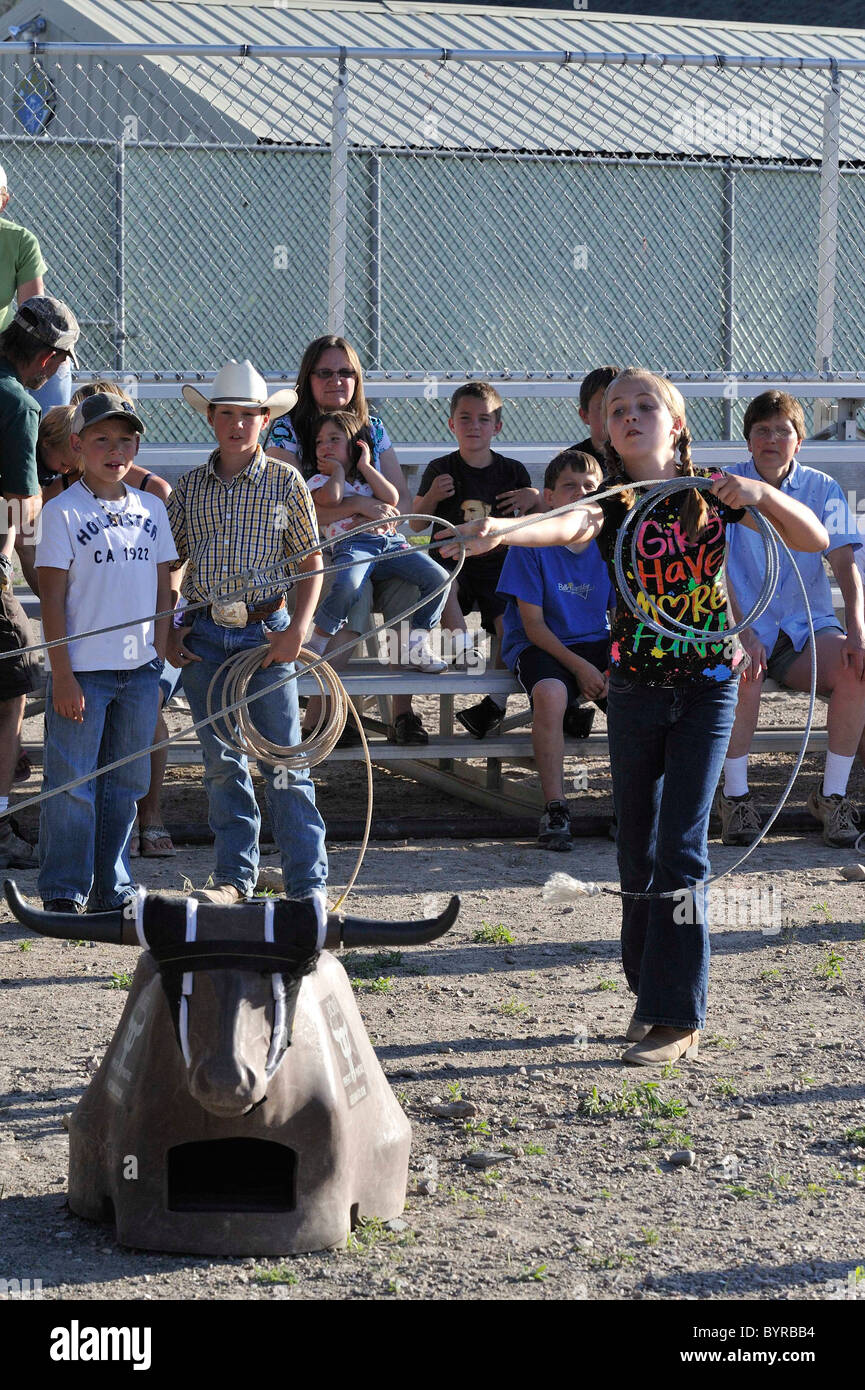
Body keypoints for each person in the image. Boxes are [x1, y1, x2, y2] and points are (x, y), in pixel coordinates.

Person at [439, 368, 828, 1066]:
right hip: (635, 690)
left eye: (645, 405)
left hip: (707, 685)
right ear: (603, 428)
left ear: (675, 423)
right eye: (616, 409)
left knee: (680, 847)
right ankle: (649, 997)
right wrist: (501, 530)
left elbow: (811, 541)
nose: (630, 415)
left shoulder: (711, 494)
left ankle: (678, 1018)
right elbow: (566, 523)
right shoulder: (612, 503)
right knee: (634, 849)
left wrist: (763, 492)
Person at [168, 359, 328, 908]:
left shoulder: (286, 482)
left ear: (265, 420)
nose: (237, 424)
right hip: (210, 633)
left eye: (248, 416)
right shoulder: (189, 490)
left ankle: (308, 881)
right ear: (211, 419)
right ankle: (236, 875)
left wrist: (297, 631)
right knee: (221, 762)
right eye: (226, 414)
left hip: (267, 632)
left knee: (283, 759)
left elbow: (311, 561)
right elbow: (171, 563)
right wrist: (171, 629)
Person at [35, 393, 175, 912]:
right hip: (85, 673)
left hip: (139, 671)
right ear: (77, 446)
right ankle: (63, 890)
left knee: (128, 781)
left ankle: (110, 885)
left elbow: (164, 586)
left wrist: (157, 657)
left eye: (125, 440)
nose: (115, 449)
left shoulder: (153, 508)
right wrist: (63, 675)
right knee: (72, 782)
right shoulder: (61, 512)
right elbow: (52, 598)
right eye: (101, 439)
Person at [716, 390, 865, 848]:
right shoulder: (724, 487)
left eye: (783, 430)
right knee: (744, 669)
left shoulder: (825, 489)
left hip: (806, 627)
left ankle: (831, 796)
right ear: (747, 441)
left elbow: (846, 566)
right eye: (762, 429)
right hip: (743, 623)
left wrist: (858, 633)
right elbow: (714, 571)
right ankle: (735, 798)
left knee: (856, 668)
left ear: (799, 441)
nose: (772, 438)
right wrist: (740, 634)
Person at [268, 334, 427, 745]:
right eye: (325, 372)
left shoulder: (371, 427)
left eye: (346, 372)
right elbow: (289, 513)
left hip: (375, 547)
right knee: (350, 588)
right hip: (315, 555)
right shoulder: (286, 430)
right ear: (308, 379)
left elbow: (400, 503)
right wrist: (359, 506)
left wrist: (370, 513)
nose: (337, 380)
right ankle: (325, 715)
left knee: (414, 587)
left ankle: (402, 713)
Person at [497, 449, 613, 850]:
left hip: (595, 641)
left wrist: (611, 665)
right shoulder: (530, 543)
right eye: (569, 487)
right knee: (551, 693)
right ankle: (556, 807)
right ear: (548, 497)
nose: (580, 493)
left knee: (635, 691)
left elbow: (621, 615)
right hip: (541, 645)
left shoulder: (608, 541)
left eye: (589, 487)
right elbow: (533, 626)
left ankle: (633, 806)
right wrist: (581, 668)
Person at [0, 294, 79, 869]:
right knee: (13, 689)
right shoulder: (19, 405)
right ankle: (1, 817)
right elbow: (23, 510)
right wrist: (55, 597)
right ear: (49, 361)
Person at [412, 381, 538, 738]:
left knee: (508, 625)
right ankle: (460, 647)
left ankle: (494, 703)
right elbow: (417, 523)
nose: (474, 426)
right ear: (451, 424)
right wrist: (432, 496)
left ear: (497, 427)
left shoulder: (512, 472)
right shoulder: (441, 468)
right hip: (451, 561)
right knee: (443, 581)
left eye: (484, 419)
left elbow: (530, 523)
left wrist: (534, 497)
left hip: (498, 564)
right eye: (464, 418)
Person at [305, 411, 449, 673]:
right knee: (348, 584)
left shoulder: (367, 477)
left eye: (333, 439)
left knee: (439, 577)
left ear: (355, 445)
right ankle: (318, 641)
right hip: (353, 545)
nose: (324, 446)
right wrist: (337, 470)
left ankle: (417, 644)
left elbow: (391, 497)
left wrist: (365, 466)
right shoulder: (319, 480)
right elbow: (331, 499)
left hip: (390, 544)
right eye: (319, 442)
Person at [0, 166, 72, 411]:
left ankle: (49, 442)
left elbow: (34, 313)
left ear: (4, 201)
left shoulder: (20, 241)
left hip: (4, 347)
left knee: (58, 364)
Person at [572, 365, 620, 466]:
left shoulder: (643, 458)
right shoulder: (570, 463)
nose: (611, 414)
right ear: (584, 415)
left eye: (619, 408)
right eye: (603, 407)